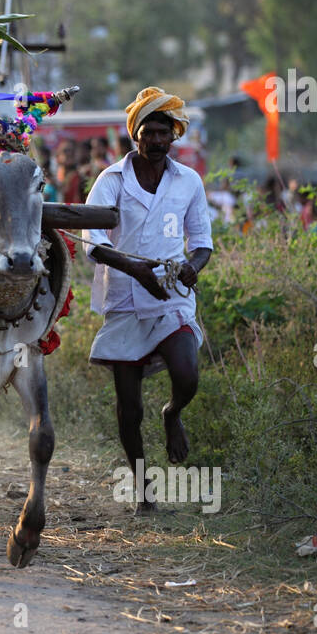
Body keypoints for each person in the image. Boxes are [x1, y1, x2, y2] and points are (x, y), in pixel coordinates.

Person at [83, 87, 214, 513]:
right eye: (149, 132)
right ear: (134, 135)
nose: (157, 140)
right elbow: (93, 240)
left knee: (187, 373)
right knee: (129, 407)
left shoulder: (188, 181)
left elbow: (203, 243)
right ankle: (143, 492)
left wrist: (194, 265)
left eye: (164, 132)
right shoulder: (111, 181)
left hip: (171, 297)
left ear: (174, 136)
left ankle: (173, 413)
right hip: (124, 300)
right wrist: (136, 269)